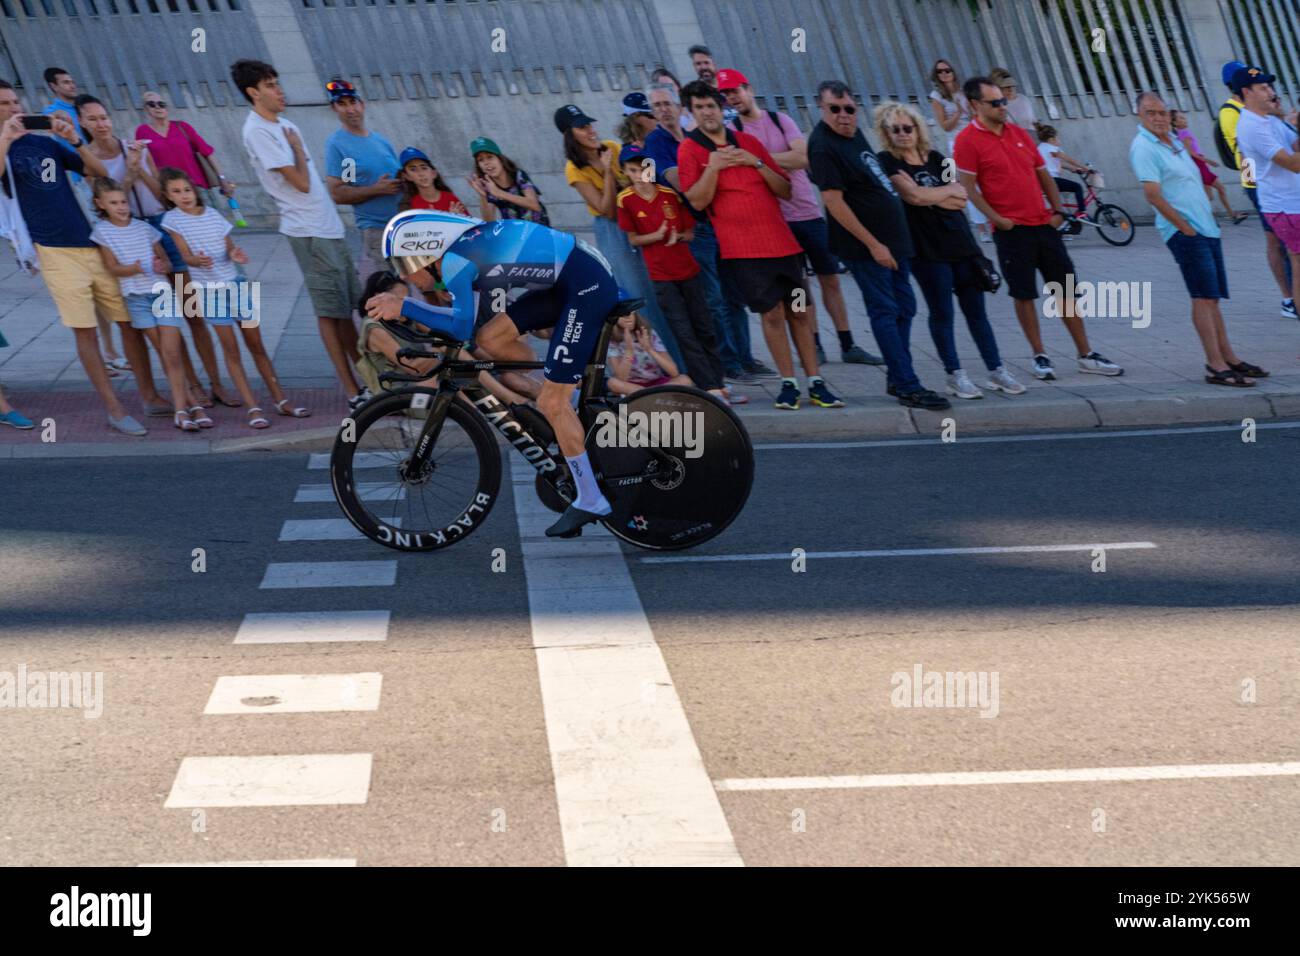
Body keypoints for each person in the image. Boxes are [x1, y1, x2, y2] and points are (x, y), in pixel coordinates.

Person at [362, 209, 624, 539]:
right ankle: (568, 401)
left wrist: (404, 307)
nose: (406, 278)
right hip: (569, 279)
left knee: (551, 402)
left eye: (404, 265)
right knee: (491, 338)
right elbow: (469, 329)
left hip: (586, 286)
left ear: (426, 251)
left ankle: (591, 498)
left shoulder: (456, 260)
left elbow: (459, 325)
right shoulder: (463, 252)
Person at [678, 80, 843, 410]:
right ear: (691, 113)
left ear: (720, 108)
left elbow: (785, 189)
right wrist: (714, 168)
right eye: (699, 108)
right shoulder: (690, 149)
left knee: (798, 311)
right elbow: (696, 202)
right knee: (771, 315)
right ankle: (788, 383)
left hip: (783, 243)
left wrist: (754, 162)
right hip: (744, 251)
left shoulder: (749, 141)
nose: (707, 112)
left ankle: (816, 382)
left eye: (711, 106)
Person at [0, 78, 148, 436]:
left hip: (90, 240)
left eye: (16, 101)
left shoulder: (43, 142)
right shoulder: (3, 148)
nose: (15, 109)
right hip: (52, 251)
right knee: (86, 332)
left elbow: (96, 172)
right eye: (5, 104)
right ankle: (113, 407)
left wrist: (75, 141)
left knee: (128, 322)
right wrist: (6, 137)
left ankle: (151, 395)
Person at [955, 76, 1122, 380]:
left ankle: (1086, 353)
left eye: (1004, 100)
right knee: (1024, 294)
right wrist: (998, 219)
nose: (1003, 106)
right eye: (995, 102)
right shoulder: (967, 140)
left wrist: (1058, 211)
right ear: (975, 105)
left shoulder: (1019, 133)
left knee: (1066, 290)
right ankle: (1040, 355)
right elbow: (967, 187)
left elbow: (1044, 175)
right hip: (1011, 230)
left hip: (1044, 224)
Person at [717, 67, 880, 367]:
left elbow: (803, 157)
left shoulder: (780, 120)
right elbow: (751, 167)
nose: (732, 97)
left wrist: (758, 160)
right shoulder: (734, 133)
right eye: (726, 94)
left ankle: (848, 343)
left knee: (830, 279)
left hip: (806, 211)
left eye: (735, 90)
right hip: (775, 220)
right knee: (799, 285)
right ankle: (814, 342)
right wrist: (770, 162)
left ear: (748, 89)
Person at [232, 59, 367, 410]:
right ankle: (353, 390)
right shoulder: (257, 131)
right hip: (307, 231)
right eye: (271, 85)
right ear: (253, 92)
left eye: (278, 83)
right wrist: (294, 150)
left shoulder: (285, 124)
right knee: (329, 312)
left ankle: (367, 380)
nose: (280, 91)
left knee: (348, 308)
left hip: (327, 227)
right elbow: (302, 183)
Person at [807, 80, 947, 410]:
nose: (844, 116)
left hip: (894, 241)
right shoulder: (823, 146)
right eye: (835, 109)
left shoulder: (853, 134)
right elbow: (833, 202)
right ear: (822, 109)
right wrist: (873, 245)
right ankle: (908, 384)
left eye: (849, 109)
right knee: (885, 310)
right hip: (868, 247)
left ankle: (898, 377)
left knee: (905, 307)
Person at [876, 101, 1024, 400]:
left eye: (909, 127)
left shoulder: (937, 157)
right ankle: (954, 374)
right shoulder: (887, 161)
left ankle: (996, 369)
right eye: (897, 129)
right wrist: (936, 195)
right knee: (942, 313)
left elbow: (960, 196)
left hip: (963, 246)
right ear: (887, 133)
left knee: (977, 313)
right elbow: (913, 196)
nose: (904, 134)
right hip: (927, 250)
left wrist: (932, 196)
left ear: (918, 129)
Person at [1131, 91, 1264, 386]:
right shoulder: (1143, 147)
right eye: (1150, 113)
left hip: (1205, 228)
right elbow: (1153, 195)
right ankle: (1215, 365)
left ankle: (1229, 357)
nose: (1158, 118)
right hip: (1186, 232)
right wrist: (1185, 228)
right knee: (1202, 298)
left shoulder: (1174, 141)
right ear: (1140, 116)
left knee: (1212, 298)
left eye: (1162, 112)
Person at [160, 167, 310, 427]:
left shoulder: (213, 214)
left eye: (186, 189)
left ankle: (280, 400)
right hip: (209, 293)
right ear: (168, 196)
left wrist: (235, 255)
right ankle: (253, 408)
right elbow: (184, 256)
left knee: (257, 345)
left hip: (236, 285)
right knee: (232, 351)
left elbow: (229, 246)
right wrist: (197, 260)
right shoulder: (173, 220)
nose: (184, 195)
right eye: (176, 192)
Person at [641, 81, 770, 382]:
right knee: (713, 298)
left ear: (679, 107)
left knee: (735, 294)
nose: (662, 110)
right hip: (696, 228)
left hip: (719, 223)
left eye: (667, 103)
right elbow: (679, 182)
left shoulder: (691, 138)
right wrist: (707, 175)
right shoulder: (656, 143)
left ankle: (745, 358)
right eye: (656, 105)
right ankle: (727, 362)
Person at [556, 102, 676, 363]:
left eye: (589, 124)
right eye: (581, 127)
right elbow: (606, 210)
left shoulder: (612, 147)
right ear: (569, 134)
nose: (590, 130)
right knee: (640, 295)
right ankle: (660, 363)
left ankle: (677, 361)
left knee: (663, 290)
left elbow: (643, 181)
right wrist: (609, 171)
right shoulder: (574, 169)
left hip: (640, 219)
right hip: (612, 230)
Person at [615, 144, 733, 404]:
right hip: (661, 276)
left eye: (643, 167)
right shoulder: (625, 200)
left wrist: (676, 236)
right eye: (632, 170)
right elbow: (633, 239)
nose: (639, 174)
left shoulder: (670, 194)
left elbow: (690, 232)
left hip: (687, 269)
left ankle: (720, 381)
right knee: (683, 330)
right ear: (625, 172)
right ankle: (708, 386)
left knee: (705, 326)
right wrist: (656, 236)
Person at [88, 177, 204, 429]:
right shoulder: (102, 232)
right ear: (101, 204)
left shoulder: (144, 228)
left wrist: (163, 265)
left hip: (161, 293)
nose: (121, 207)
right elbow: (112, 268)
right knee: (164, 353)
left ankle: (185, 408)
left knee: (172, 353)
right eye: (114, 203)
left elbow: (166, 262)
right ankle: (188, 405)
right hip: (136, 299)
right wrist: (133, 268)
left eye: (123, 201)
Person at [1218, 60, 1294, 317]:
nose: (1269, 90)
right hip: (1259, 183)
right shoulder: (1232, 113)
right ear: (1240, 89)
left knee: (1286, 246)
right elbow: (1241, 152)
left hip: (1271, 183)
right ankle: (1288, 298)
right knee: (1275, 242)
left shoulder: (1264, 112)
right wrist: (1254, 184)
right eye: (1261, 86)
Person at [322, 78, 403, 281]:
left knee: (424, 285)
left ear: (362, 104)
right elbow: (340, 193)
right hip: (378, 230)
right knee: (393, 290)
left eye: (352, 102)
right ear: (334, 108)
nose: (350, 109)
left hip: (402, 225)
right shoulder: (340, 146)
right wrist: (377, 189)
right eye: (342, 104)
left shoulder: (379, 140)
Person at [134, 90, 235, 206]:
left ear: (167, 108)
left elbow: (207, 152)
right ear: (146, 109)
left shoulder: (182, 127)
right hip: (171, 192)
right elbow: (145, 162)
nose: (157, 107)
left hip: (196, 186)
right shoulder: (142, 131)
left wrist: (222, 178)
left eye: (161, 104)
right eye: (152, 104)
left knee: (209, 221)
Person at [1171, 109, 1246, 223]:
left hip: (1200, 164)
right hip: (1199, 164)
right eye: (1181, 118)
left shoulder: (1181, 134)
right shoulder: (1184, 134)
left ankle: (1206, 217)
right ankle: (1224, 216)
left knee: (1209, 196)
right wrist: (1209, 161)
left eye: (1184, 117)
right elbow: (1191, 154)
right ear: (1175, 123)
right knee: (1219, 189)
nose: (1184, 119)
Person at [465, 136, 548, 224]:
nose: (486, 163)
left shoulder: (518, 175)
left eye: (490, 157)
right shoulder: (488, 185)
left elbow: (535, 205)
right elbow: (489, 222)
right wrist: (483, 196)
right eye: (481, 160)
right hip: (515, 234)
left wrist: (499, 193)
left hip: (539, 229)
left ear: (500, 159)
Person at [605, 310, 691, 394]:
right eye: (622, 315)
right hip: (633, 387)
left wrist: (649, 349)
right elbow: (621, 379)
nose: (628, 317)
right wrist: (629, 350)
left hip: (658, 383)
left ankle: (650, 394)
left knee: (684, 379)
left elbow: (674, 372)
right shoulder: (612, 342)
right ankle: (650, 395)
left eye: (630, 313)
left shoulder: (649, 333)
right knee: (612, 383)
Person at [1033, 122, 1089, 234]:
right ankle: (1082, 213)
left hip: (1042, 182)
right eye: (1057, 137)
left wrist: (1074, 169)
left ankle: (1066, 226)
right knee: (1077, 187)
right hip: (1052, 180)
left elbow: (1060, 163)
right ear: (1052, 138)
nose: (1058, 140)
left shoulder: (1041, 148)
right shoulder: (1052, 148)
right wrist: (1084, 167)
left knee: (1058, 206)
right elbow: (1067, 159)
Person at [396, 147, 468, 213]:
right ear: (407, 176)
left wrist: (456, 218)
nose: (421, 174)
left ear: (434, 173)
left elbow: (472, 225)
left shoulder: (450, 199)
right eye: (413, 169)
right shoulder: (409, 206)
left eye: (424, 168)